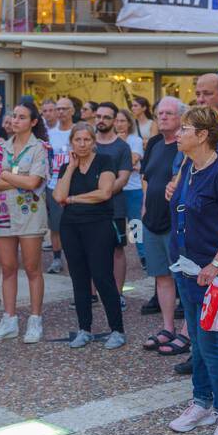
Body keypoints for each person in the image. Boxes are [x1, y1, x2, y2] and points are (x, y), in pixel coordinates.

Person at [166, 106, 218, 435]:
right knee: (198, 342)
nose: (178, 133)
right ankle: (201, 404)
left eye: (185, 129)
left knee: (212, 343)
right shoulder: (189, 168)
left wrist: (215, 263)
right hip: (187, 268)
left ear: (202, 136)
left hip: (211, 273)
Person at [53, 122, 125, 348]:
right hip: (71, 226)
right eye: (78, 140)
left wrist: (73, 199)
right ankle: (84, 329)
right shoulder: (67, 166)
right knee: (78, 278)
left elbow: (104, 193)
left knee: (102, 277)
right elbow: (58, 196)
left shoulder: (105, 161)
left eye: (87, 140)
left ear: (94, 142)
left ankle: (117, 330)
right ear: (71, 142)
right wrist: (72, 168)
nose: (82, 144)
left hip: (98, 225)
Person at [0, 101, 50, 343]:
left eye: (22, 117)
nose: (15, 120)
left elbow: (34, 183)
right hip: (3, 213)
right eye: (14, 116)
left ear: (33, 122)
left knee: (33, 268)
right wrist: (19, 178)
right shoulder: (0, 148)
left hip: (30, 214)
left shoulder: (39, 148)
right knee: (8, 268)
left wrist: (6, 175)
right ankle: (9, 320)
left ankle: (35, 319)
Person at [141, 97, 188, 356]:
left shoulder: (185, 145)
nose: (163, 117)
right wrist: (145, 206)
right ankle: (168, 327)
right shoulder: (156, 143)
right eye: (160, 113)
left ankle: (186, 332)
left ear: (181, 117)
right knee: (162, 277)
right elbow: (147, 177)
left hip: (176, 222)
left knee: (182, 278)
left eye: (169, 113)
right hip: (152, 220)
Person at [92, 101, 134, 294]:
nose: (101, 120)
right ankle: (92, 292)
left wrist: (104, 193)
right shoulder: (86, 142)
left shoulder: (122, 147)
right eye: (98, 116)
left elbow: (123, 178)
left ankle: (117, 293)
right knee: (90, 250)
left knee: (117, 250)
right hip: (87, 207)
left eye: (106, 117)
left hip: (114, 207)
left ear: (115, 120)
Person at [45, 97, 77, 276]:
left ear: (72, 110)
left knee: (74, 224)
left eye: (65, 108)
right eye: (58, 109)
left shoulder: (78, 131)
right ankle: (57, 258)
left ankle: (74, 257)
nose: (61, 112)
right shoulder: (50, 134)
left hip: (75, 185)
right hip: (53, 184)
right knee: (56, 225)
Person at [115, 107, 147, 270]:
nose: (119, 124)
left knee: (136, 225)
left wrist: (120, 161)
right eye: (117, 121)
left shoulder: (135, 140)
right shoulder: (111, 140)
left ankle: (144, 257)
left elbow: (133, 159)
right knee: (117, 227)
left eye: (122, 121)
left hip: (133, 189)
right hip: (115, 190)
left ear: (129, 123)